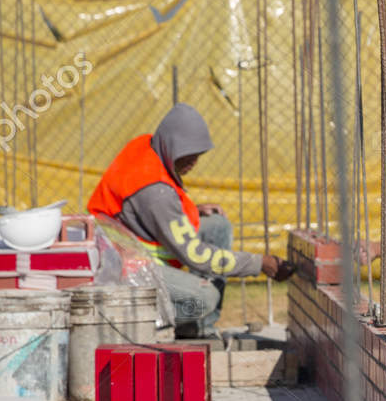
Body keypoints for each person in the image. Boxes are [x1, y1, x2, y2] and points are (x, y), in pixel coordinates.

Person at [87, 103, 294, 335]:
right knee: (204, 299)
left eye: (198, 155)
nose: (193, 162)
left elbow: (148, 210)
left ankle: (199, 330)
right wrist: (259, 263)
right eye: (187, 155)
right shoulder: (156, 192)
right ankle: (137, 322)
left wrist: (191, 209)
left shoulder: (148, 146)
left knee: (218, 226)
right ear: (172, 146)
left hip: (125, 244)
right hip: (124, 268)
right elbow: (196, 255)